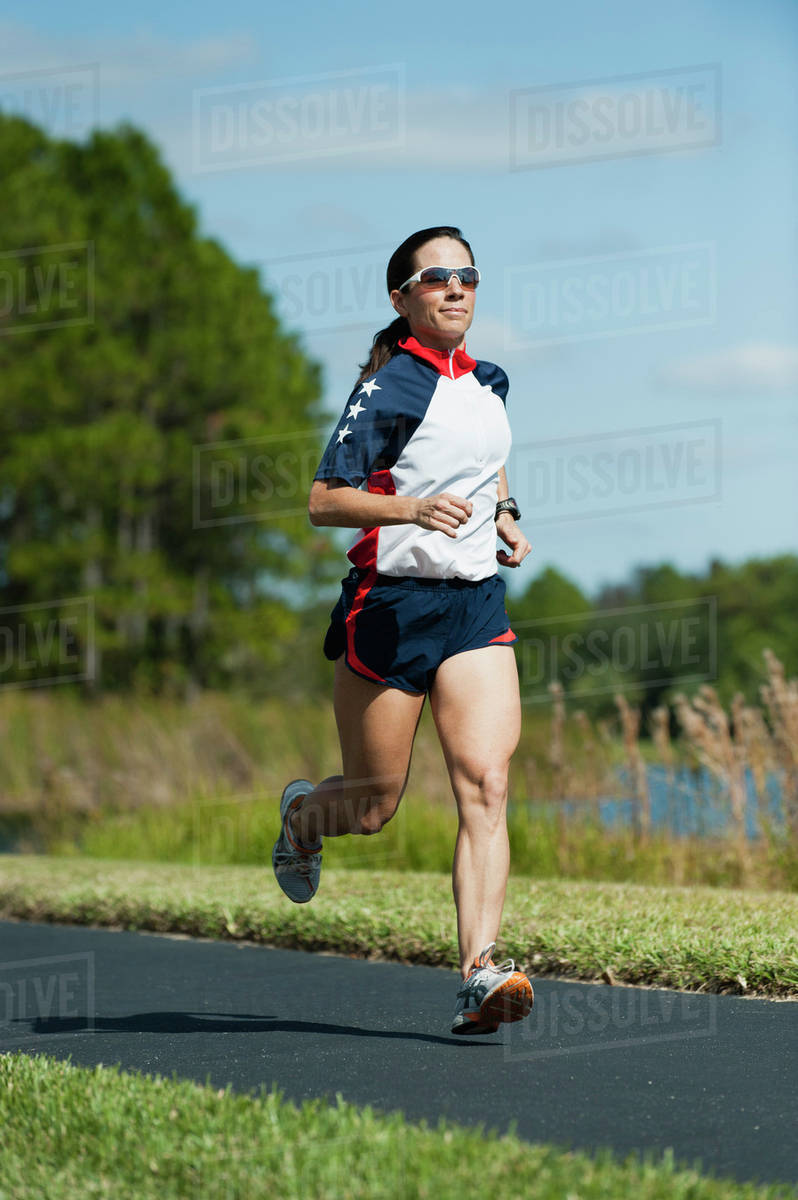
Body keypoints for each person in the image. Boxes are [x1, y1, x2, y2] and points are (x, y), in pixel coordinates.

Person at [272, 226, 534, 1036]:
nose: (454, 289)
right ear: (403, 299)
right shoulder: (390, 390)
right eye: (434, 279)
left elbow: (482, 458)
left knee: (485, 784)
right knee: (375, 805)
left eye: (466, 275)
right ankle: (303, 819)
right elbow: (323, 501)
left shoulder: (489, 380)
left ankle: (479, 972)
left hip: (473, 606)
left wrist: (505, 511)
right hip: (388, 608)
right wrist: (409, 508)